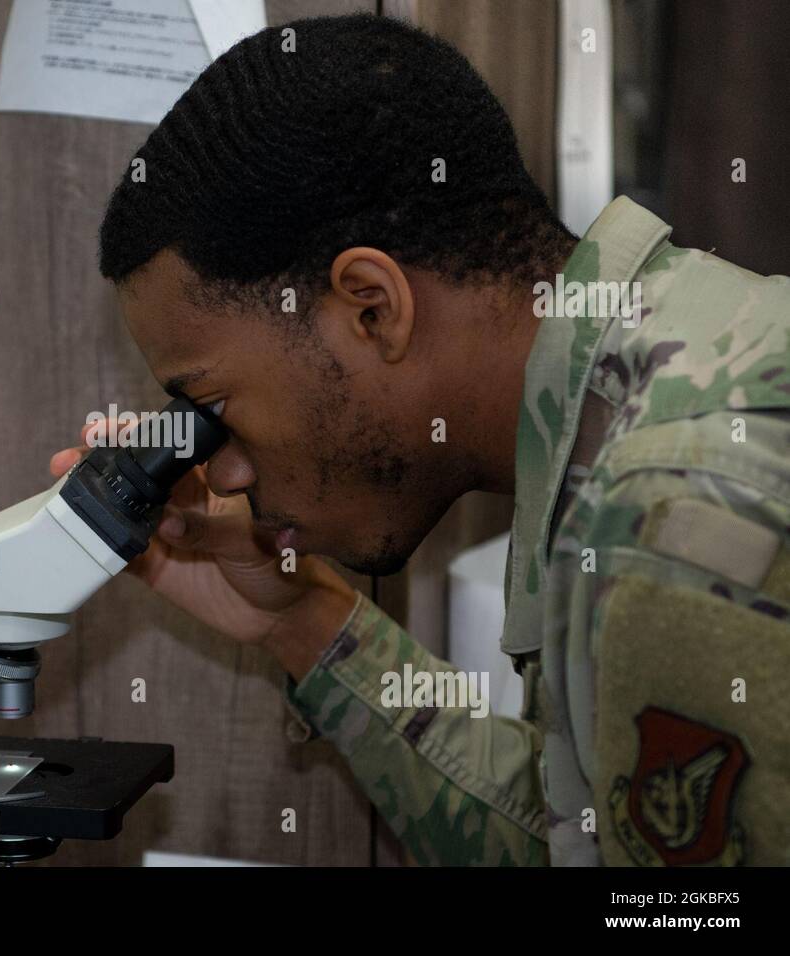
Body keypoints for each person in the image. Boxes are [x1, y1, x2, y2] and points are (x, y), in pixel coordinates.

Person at [49, 13, 790, 866]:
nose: (221, 468)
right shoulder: (670, 365)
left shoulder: (672, 513)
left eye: (212, 406)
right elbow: (592, 842)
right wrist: (304, 621)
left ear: (372, 306)